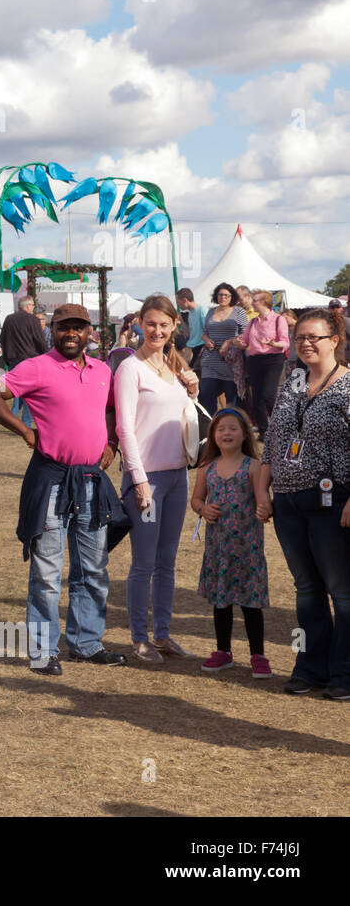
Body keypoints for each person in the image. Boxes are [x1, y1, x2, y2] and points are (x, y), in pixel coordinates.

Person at [0, 303, 129, 674]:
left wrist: (111, 441)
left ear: (90, 332)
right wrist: (25, 430)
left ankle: (86, 643)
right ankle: (43, 652)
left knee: (92, 567)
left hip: (91, 480)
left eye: (79, 328)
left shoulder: (102, 370)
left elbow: (111, 408)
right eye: (64, 327)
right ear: (52, 331)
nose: (72, 334)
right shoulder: (35, 367)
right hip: (52, 479)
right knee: (47, 571)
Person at [258, 309, 350, 700]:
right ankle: (308, 666)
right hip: (288, 503)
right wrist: (263, 490)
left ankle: (343, 673)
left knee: (342, 591)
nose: (306, 344)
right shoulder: (291, 381)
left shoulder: (347, 387)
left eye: (315, 337)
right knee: (305, 589)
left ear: (336, 340)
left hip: (334, 502)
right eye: (300, 338)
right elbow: (273, 441)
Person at [114, 295, 200, 663]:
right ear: (138, 324)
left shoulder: (174, 366)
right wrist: (139, 478)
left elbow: (186, 417)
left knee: (167, 560)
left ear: (174, 327)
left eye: (164, 325)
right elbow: (125, 428)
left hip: (177, 476)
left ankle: (163, 635)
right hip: (146, 478)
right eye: (150, 324)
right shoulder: (129, 369)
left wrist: (193, 390)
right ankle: (139, 638)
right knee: (143, 562)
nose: (157, 331)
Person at [192, 408, 270, 678]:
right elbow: (196, 500)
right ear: (212, 434)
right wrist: (203, 509)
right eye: (221, 428)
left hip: (247, 549)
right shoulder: (206, 468)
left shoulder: (254, 466)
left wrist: (264, 508)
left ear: (244, 434)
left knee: (250, 604)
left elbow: (262, 498)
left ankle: (258, 655)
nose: (226, 433)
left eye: (233, 428)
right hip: (218, 550)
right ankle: (223, 651)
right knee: (221, 602)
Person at [232, 290, 288, 434]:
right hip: (255, 360)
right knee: (256, 397)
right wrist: (238, 342)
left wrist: (274, 344)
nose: (252, 302)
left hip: (273, 359)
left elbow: (285, 342)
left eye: (255, 300)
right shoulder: (253, 322)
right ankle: (264, 431)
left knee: (268, 395)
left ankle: (280, 427)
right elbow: (244, 341)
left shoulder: (278, 319)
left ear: (264, 302)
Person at [0, 294, 49, 430]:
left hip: (14, 360)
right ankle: (25, 423)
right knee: (30, 394)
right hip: (30, 360)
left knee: (16, 391)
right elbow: (40, 340)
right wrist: (48, 356)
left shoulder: (9, 319)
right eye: (33, 305)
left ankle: (13, 421)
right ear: (27, 306)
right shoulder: (32, 319)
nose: (33, 308)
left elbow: (1, 339)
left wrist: (8, 357)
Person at [199, 283, 248, 415]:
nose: (223, 297)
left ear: (232, 297)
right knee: (206, 393)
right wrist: (206, 339)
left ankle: (232, 424)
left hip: (231, 360)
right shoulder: (210, 311)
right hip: (210, 359)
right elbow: (204, 332)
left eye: (226, 295)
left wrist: (229, 341)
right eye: (220, 294)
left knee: (231, 397)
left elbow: (246, 335)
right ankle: (210, 425)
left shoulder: (239, 312)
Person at [177, 288, 208, 370]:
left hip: (200, 348)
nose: (178, 305)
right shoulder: (190, 313)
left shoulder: (202, 310)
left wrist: (205, 347)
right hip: (191, 348)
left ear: (184, 300)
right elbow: (188, 333)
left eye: (178, 302)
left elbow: (209, 330)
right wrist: (180, 320)